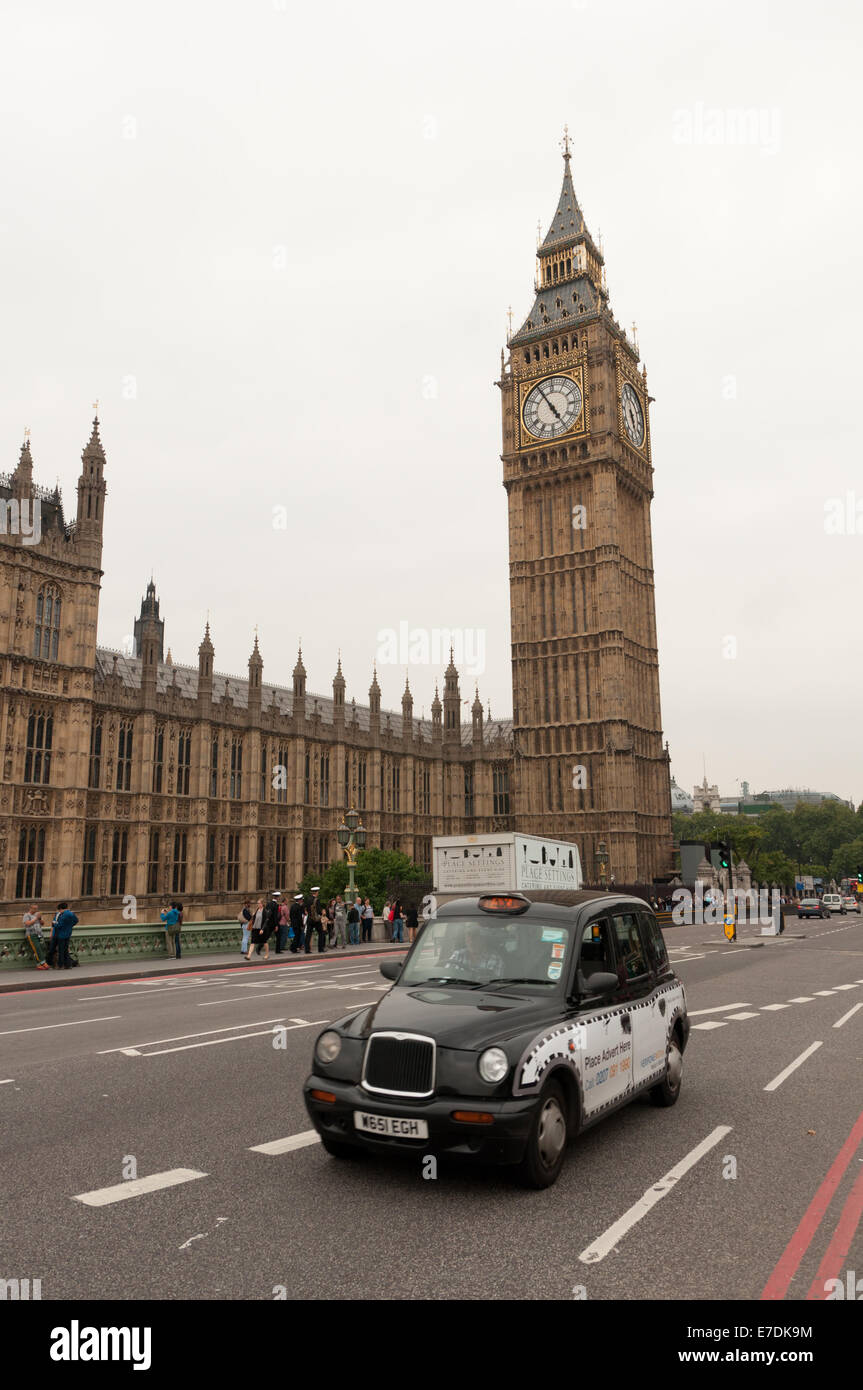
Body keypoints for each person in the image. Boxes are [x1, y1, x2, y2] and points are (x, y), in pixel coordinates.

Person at [47, 902, 78, 970]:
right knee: (65, 950)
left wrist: (54, 924)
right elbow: (76, 921)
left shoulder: (63, 915)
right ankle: (68, 965)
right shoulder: (71, 913)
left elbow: (59, 925)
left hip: (60, 935)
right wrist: (69, 926)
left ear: (60, 909)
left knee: (59, 950)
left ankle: (60, 965)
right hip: (67, 934)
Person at [23, 904, 50, 970]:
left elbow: (43, 923)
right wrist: (36, 918)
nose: (36, 910)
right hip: (31, 934)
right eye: (34, 908)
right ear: (30, 908)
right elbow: (27, 923)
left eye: (36, 908)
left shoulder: (38, 915)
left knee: (42, 947)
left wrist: (40, 918)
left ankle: (39, 964)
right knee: (37, 948)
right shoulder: (26, 915)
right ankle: (43, 963)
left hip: (39, 934)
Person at [305, 888, 322, 955]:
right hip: (316, 920)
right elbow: (318, 910)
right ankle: (320, 948)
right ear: (316, 892)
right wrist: (321, 914)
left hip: (309, 919)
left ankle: (307, 949)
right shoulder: (317, 900)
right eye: (318, 892)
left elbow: (305, 907)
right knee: (321, 932)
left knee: (308, 934)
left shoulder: (308, 899)